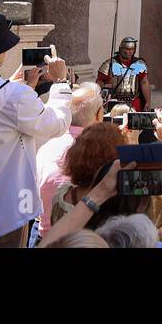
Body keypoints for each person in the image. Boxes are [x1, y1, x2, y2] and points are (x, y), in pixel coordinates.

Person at [0, 12, 72, 247]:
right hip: (5, 213)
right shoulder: (15, 96)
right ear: (0, 53)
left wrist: (19, 88)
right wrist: (61, 83)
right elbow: (56, 124)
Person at [36, 81, 103, 237]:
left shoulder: (45, 145)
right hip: (80, 239)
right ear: (99, 115)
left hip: (43, 235)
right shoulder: (100, 152)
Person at [96, 37, 151, 111]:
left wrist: (148, 102)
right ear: (121, 49)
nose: (130, 52)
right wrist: (104, 87)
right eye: (127, 49)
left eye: (132, 49)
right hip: (115, 102)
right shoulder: (110, 64)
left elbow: (144, 83)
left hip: (134, 102)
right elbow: (99, 82)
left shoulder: (139, 64)